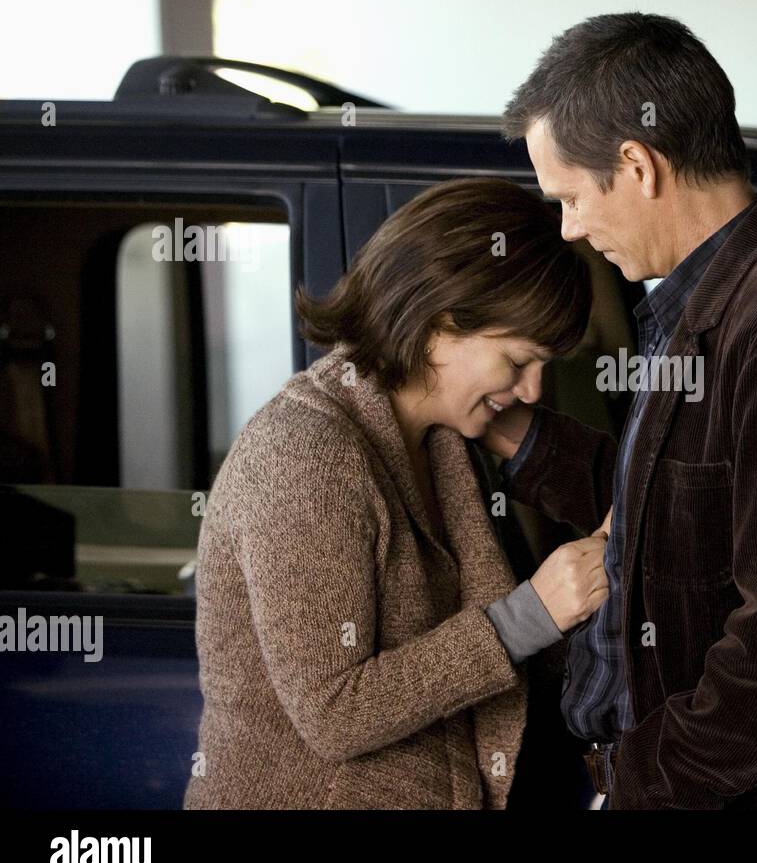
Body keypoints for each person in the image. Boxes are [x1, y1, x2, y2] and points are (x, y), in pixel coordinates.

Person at [482, 12, 757, 809]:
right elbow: (669, 514)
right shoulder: (703, 302)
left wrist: (639, 791)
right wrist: (516, 433)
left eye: (572, 198)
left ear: (638, 164)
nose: (571, 228)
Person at [183, 177, 608, 809]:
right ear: (441, 320)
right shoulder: (305, 454)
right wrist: (532, 614)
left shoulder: (443, 442)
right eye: (518, 360)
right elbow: (334, 712)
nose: (532, 389)